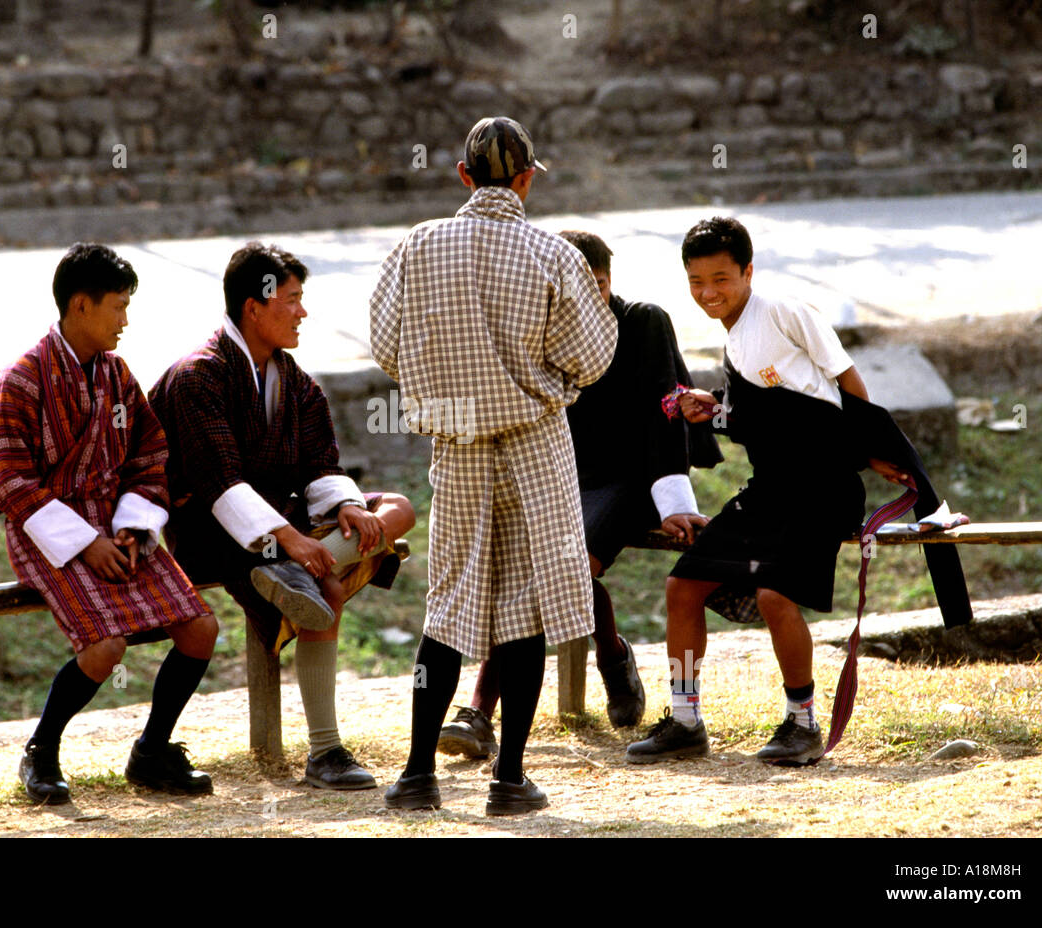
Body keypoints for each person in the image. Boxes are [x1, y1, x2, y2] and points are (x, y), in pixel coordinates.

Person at [626, 216, 969, 768]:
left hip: (824, 489)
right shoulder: (735, 341)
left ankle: (802, 724)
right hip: (769, 489)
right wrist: (715, 408)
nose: (708, 293)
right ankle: (686, 721)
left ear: (748, 272)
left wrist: (871, 449)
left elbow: (847, 386)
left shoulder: (784, 311)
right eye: (696, 282)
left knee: (774, 596)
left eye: (721, 279)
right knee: (682, 587)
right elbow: (770, 420)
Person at [370, 117, 618, 815]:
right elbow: (593, 358)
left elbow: (386, 345)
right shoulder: (553, 254)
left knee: (446, 608)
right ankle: (509, 780)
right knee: (525, 609)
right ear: (527, 178)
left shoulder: (416, 247)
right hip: (535, 443)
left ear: (462, 175)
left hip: (456, 442)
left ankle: (418, 775)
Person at [437, 230, 722, 759]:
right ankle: (612, 655)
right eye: (577, 289)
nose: (590, 298)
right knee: (527, 566)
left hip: (639, 477)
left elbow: (666, 414)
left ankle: (479, 711)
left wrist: (677, 504)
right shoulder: (542, 329)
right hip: (564, 475)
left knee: (562, 567)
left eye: (599, 285)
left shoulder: (644, 321)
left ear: (609, 280)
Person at [148, 242, 416, 791]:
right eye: (292, 300)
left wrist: (343, 506)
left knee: (399, 509)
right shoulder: (199, 376)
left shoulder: (295, 382)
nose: (302, 312)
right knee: (329, 590)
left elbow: (321, 463)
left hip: (279, 526)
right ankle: (325, 752)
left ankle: (289, 570)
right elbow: (219, 484)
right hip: (208, 530)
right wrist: (290, 539)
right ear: (255, 305)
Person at [0, 243, 218, 805]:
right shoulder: (21, 379)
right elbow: (7, 478)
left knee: (201, 630)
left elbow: (149, 451)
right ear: (80, 305)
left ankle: (153, 750)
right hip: (46, 532)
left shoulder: (116, 374)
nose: (126, 321)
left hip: (117, 527)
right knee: (105, 646)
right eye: (118, 307)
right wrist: (85, 544)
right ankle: (42, 751)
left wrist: (133, 526)